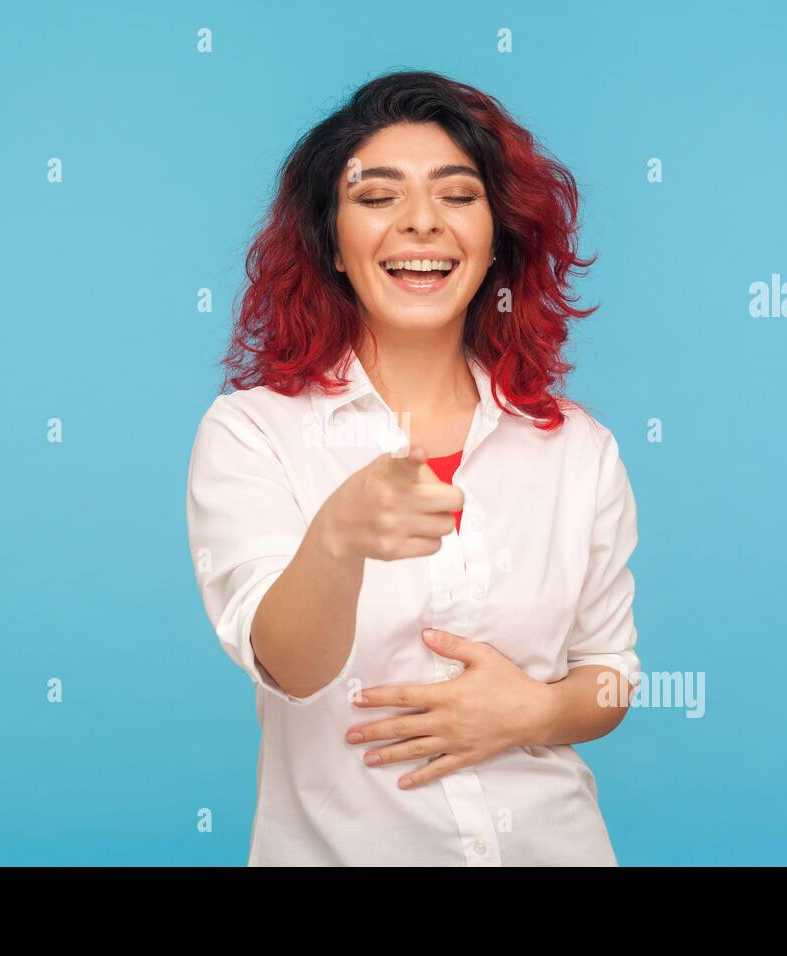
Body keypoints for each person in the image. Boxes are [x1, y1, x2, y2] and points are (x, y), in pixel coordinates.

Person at [186, 69, 642, 866]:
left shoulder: (576, 447)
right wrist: (337, 540)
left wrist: (529, 715)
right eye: (377, 197)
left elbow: (609, 679)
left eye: (458, 196)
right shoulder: (251, 434)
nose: (422, 224)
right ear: (330, 240)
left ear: (499, 234)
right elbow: (287, 669)